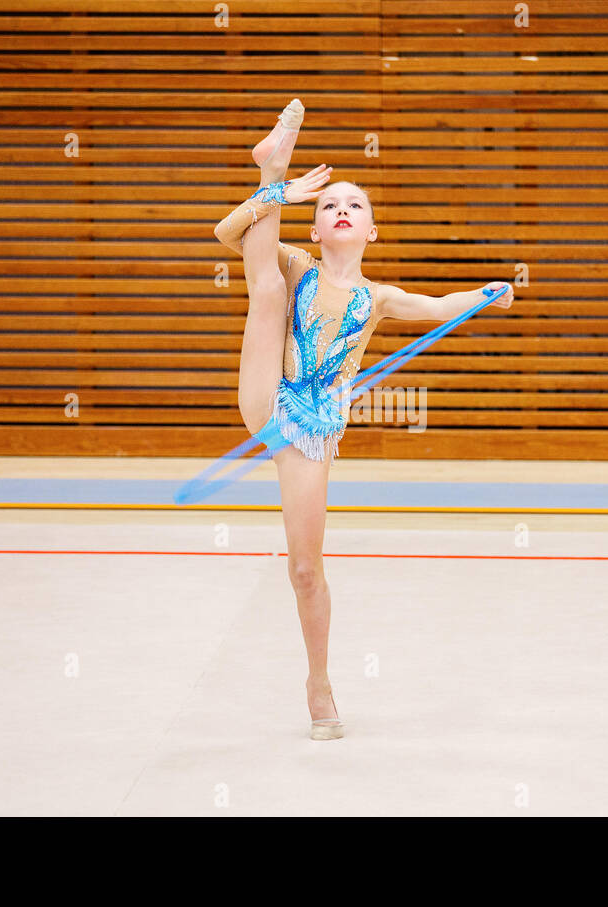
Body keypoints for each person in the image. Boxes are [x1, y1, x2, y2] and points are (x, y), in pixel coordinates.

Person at [213, 98, 514, 739]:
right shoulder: (299, 264)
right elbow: (225, 234)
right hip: (268, 395)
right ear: (316, 229)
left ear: (370, 231)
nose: (340, 210)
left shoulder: (378, 298)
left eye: (353, 205)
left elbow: (439, 306)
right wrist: (281, 195)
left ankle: (318, 681)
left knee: (304, 570)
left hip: (311, 430)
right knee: (266, 283)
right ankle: (275, 163)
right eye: (328, 205)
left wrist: (489, 292)